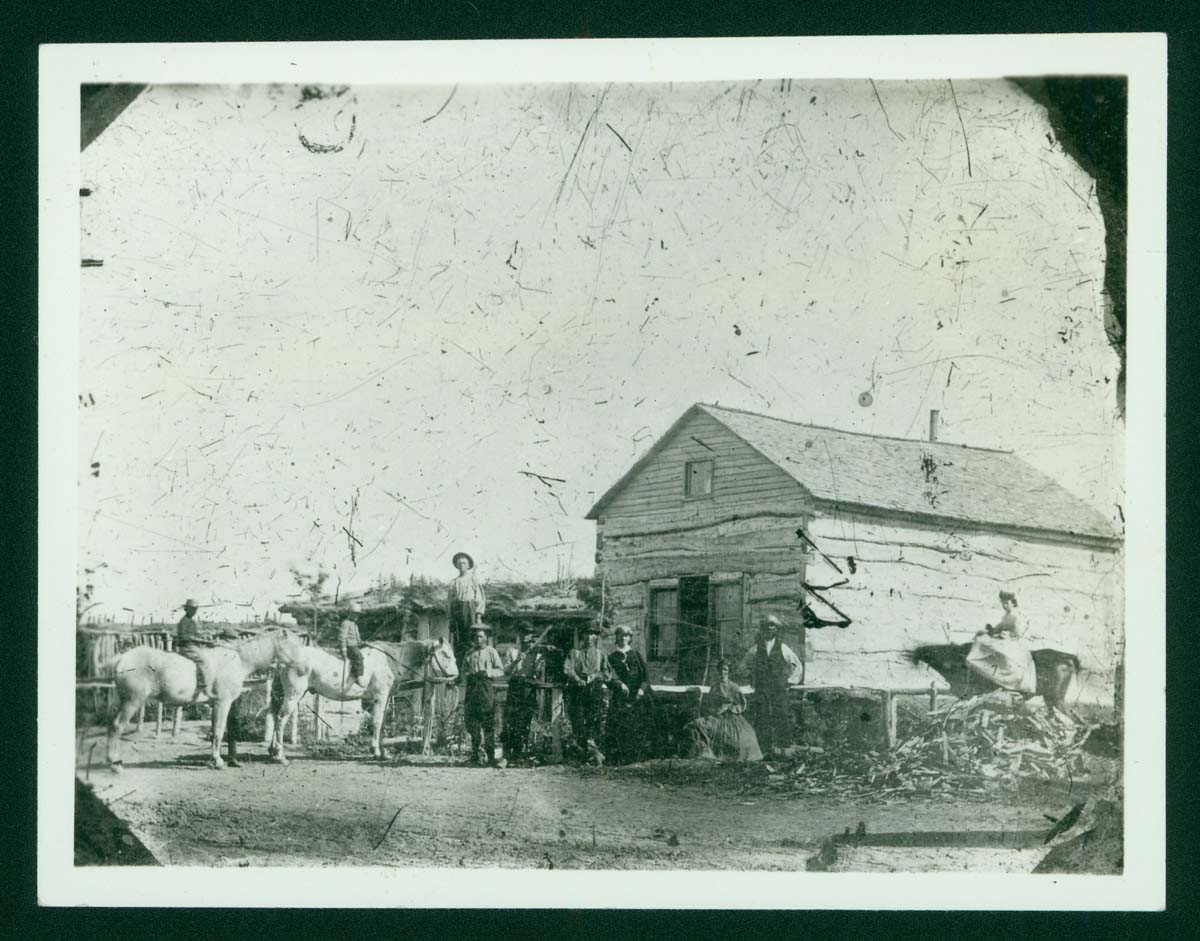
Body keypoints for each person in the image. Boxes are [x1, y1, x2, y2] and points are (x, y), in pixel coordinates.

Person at [739, 615, 803, 756]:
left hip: (778, 688)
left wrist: (790, 681)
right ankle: (764, 749)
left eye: (772, 626)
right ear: (762, 630)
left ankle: (784, 748)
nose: (769, 629)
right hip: (761, 689)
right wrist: (751, 676)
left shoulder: (783, 648)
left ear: (776, 630)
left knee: (781, 715)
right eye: (766, 626)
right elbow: (743, 666)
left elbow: (797, 665)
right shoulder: (755, 649)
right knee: (762, 716)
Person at [685, 659, 763, 762]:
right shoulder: (714, 686)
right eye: (720, 670)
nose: (723, 672)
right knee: (699, 726)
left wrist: (729, 708)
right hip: (716, 716)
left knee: (742, 736)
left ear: (728, 671)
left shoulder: (734, 687)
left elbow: (742, 704)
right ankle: (704, 752)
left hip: (731, 717)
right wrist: (713, 710)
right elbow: (709, 702)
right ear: (718, 671)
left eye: (725, 670)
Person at [965, 591, 1036, 693]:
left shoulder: (1015, 616)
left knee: (993, 647)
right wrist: (989, 631)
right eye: (1003, 603)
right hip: (1003, 640)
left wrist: (1005, 635)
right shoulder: (1006, 616)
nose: (1004, 605)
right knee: (981, 639)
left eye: (1007, 603)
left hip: (1012, 643)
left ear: (1013, 603)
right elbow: (997, 629)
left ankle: (1005, 677)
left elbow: (1017, 633)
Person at [563, 624, 614, 764]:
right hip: (578, 692)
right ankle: (587, 754)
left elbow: (607, 673)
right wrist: (578, 679)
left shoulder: (600, 654)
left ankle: (595, 754)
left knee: (595, 722)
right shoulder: (574, 653)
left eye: (592, 634)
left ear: (596, 636)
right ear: (582, 636)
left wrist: (594, 676)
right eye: (586, 633)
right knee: (578, 722)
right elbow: (567, 669)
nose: (589, 637)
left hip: (594, 692)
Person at [462, 624, 506, 767]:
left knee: (488, 721)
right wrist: (467, 675)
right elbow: (463, 672)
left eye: (481, 636)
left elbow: (500, 670)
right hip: (472, 688)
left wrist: (489, 673)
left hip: (486, 688)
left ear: (486, 638)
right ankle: (475, 755)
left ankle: (491, 757)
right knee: (472, 722)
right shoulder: (469, 653)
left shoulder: (491, 652)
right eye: (475, 637)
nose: (478, 639)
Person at [605, 625, 652, 764]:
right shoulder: (612, 657)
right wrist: (619, 684)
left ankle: (638, 757)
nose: (623, 638)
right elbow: (608, 677)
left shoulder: (636, 655)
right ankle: (621, 758)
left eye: (626, 635)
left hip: (637, 695)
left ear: (630, 638)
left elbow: (646, 676)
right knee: (621, 725)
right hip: (621, 697)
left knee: (639, 723)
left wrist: (642, 689)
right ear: (617, 637)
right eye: (620, 635)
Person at [501, 627, 545, 764]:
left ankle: (519, 753)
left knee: (525, 721)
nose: (528, 641)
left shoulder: (537, 654)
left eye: (531, 638)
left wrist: (539, 661)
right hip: (515, 687)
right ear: (520, 638)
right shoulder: (512, 651)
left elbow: (539, 673)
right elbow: (506, 672)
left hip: (529, 688)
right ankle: (507, 753)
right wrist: (517, 661)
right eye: (525, 637)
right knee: (510, 720)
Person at [447, 551, 486, 667]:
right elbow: (449, 601)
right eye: (459, 563)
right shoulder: (453, 582)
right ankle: (459, 668)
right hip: (457, 611)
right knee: (459, 640)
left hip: (470, 610)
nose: (462, 565)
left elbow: (480, 597)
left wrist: (478, 615)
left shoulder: (473, 579)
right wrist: (450, 618)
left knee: (472, 637)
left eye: (464, 563)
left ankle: (472, 666)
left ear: (468, 565)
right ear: (457, 566)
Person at [176, 598, 215, 699]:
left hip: (192, 646)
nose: (194, 611)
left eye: (195, 609)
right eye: (192, 609)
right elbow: (183, 636)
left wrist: (203, 636)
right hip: (186, 647)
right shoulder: (183, 622)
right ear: (187, 609)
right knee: (203, 661)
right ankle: (202, 684)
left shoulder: (191, 622)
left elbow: (195, 634)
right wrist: (196, 639)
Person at [338, 600, 367, 691]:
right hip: (349, 646)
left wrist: (361, 642)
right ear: (350, 614)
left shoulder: (354, 624)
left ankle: (353, 676)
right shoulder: (346, 623)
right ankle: (358, 677)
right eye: (355, 614)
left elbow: (356, 638)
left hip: (355, 646)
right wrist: (343, 649)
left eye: (358, 615)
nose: (357, 616)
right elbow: (342, 637)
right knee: (359, 657)